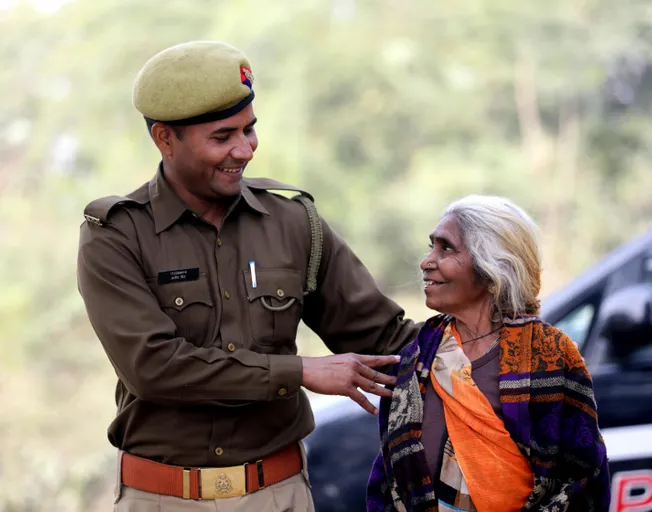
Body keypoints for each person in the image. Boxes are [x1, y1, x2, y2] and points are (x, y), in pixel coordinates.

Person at [76, 41, 420, 511]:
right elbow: (154, 368)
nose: (245, 150)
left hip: (279, 494)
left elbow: (385, 337)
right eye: (223, 137)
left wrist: (493, 340)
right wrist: (298, 372)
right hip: (161, 499)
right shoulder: (115, 237)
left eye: (250, 130)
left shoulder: (295, 221)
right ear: (164, 138)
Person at [367, 195, 610, 512]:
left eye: (447, 248)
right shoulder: (419, 354)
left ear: (490, 267)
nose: (427, 261)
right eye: (431, 247)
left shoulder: (548, 352)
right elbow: (389, 477)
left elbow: (583, 480)